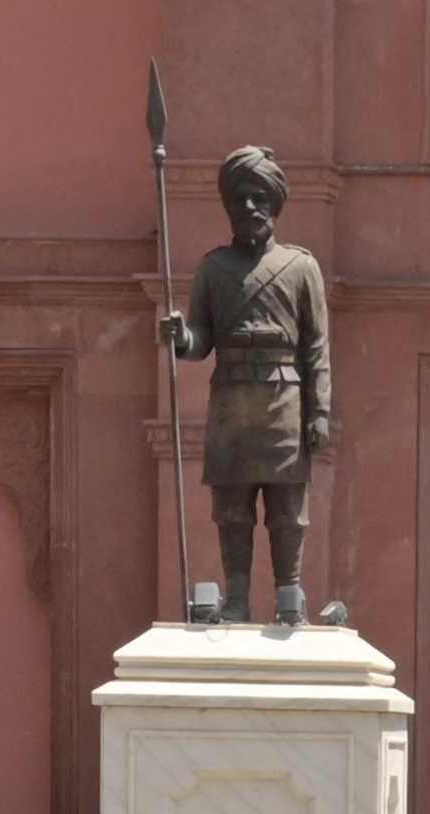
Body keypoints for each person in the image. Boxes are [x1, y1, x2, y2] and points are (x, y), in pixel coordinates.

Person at [165, 144, 333, 627]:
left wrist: (318, 411)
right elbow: (201, 341)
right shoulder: (213, 269)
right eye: (240, 199)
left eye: (259, 198)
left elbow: (317, 346)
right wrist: (181, 336)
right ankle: (236, 598)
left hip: (284, 400)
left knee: (287, 511)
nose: (249, 208)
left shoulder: (302, 267)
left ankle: (288, 600)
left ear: (275, 203)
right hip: (232, 403)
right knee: (233, 510)